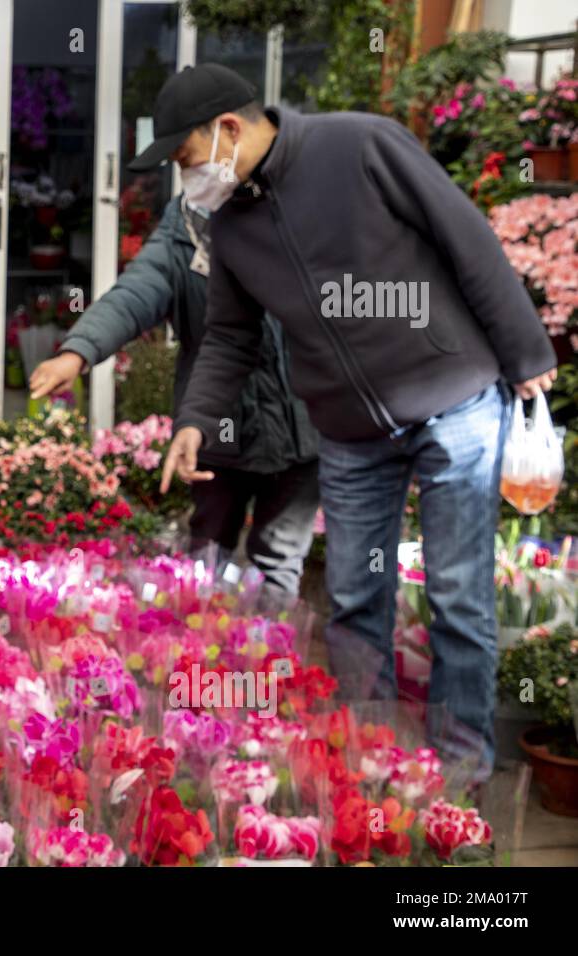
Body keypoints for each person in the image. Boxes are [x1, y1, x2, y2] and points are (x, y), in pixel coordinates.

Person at [140, 64, 556, 773]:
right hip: (349, 433)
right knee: (356, 601)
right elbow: (232, 335)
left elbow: (467, 239)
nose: (188, 180)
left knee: (458, 597)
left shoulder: (362, 145)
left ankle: (461, 773)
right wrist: (195, 420)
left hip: (453, 402)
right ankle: (377, 763)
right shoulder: (230, 225)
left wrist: (524, 350)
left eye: (186, 160)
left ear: (229, 130)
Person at [29, 189, 319, 595]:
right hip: (216, 426)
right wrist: (79, 351)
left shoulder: (299, 209)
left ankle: (268, 654)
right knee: (207, 560)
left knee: (279, 564)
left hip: (302, 427)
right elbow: (133, 296)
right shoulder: (184, 231)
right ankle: (207, 654)